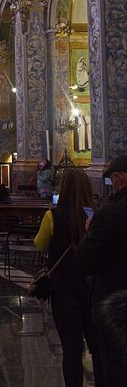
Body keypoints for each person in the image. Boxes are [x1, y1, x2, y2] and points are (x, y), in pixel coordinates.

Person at [34, 168, 98, 387]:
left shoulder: (53, 215)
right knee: (97, 346)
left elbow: (40, 244)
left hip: (63, 288)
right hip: (91, 287)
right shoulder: (95, 214)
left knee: (71, 349)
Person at [80, 154, 127, 387]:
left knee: (114, 368)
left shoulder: (108, 215)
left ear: (119, 179)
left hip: (115, 305)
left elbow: (88, 261)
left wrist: (90, 231)